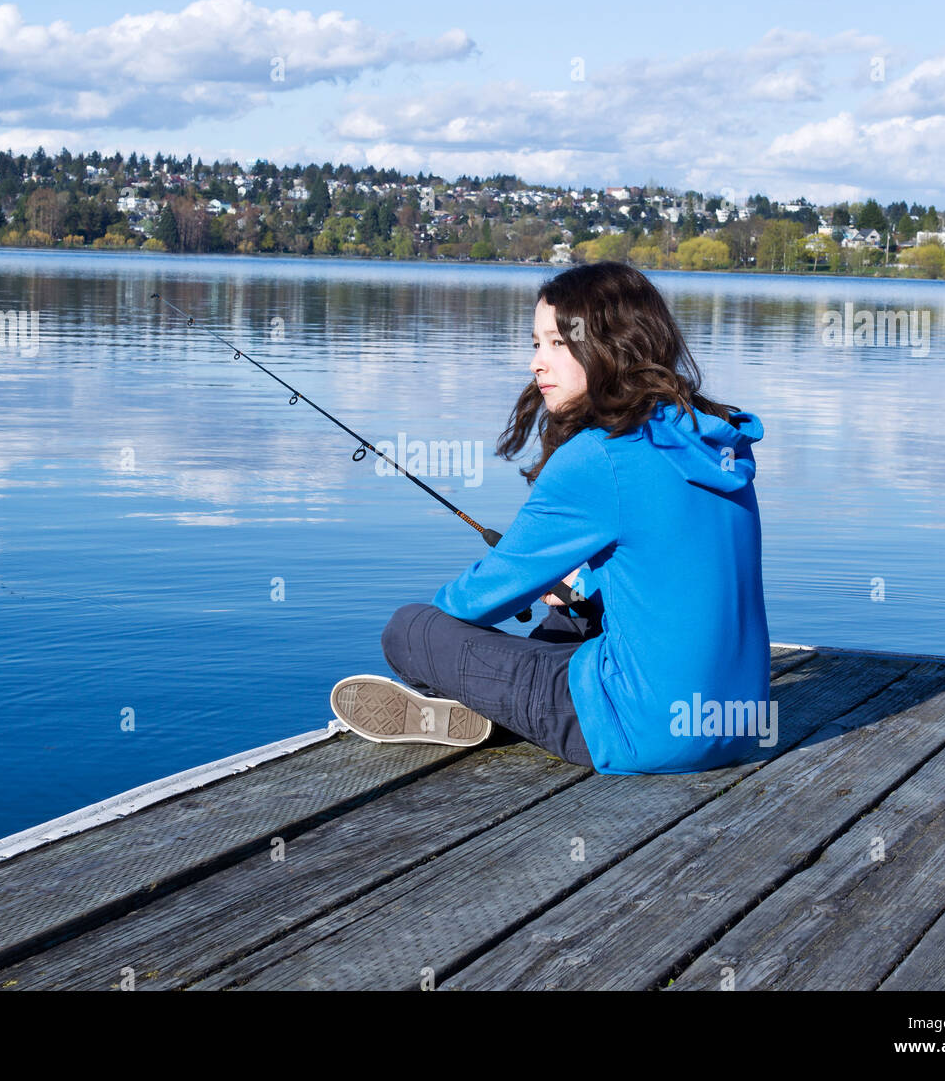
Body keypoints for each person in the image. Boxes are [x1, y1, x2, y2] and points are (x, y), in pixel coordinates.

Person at [330, 261, 770, 775]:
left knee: (409, 630)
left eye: (558, 344)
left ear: (612, 345)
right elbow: (670, 565)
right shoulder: (712, 443)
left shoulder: (599, 456)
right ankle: (504, 699)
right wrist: (581, 581)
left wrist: (454, 627)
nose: (537, 363)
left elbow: (475, 603)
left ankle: (488, 709)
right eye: (536, 344)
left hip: (640, 732)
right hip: (736, 726)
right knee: (575, 608)